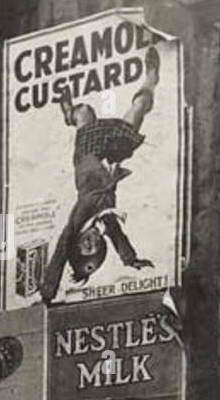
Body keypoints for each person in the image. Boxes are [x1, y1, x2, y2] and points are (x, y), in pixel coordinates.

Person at [38, 42, 161, 305]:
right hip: (113, 155)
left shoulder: (78, 218)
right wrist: (131, 260)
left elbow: (60, 251)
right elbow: (118, 237)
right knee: (139, 107)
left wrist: (48, 293)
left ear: (78, 243)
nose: (91, 241)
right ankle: (151, 78)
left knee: (84, 112)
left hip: (87, 155)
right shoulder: (106, 221)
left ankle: (69, 114)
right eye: (96, 246)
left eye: (85, 246)